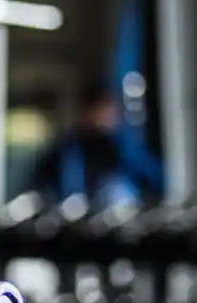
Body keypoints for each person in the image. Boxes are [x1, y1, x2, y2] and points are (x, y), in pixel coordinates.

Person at [27, 78, 164, 209]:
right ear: (89, 110)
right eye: (105, 109)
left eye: (113, 110)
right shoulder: (68, 151)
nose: (111, 116)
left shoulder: (120, 148)